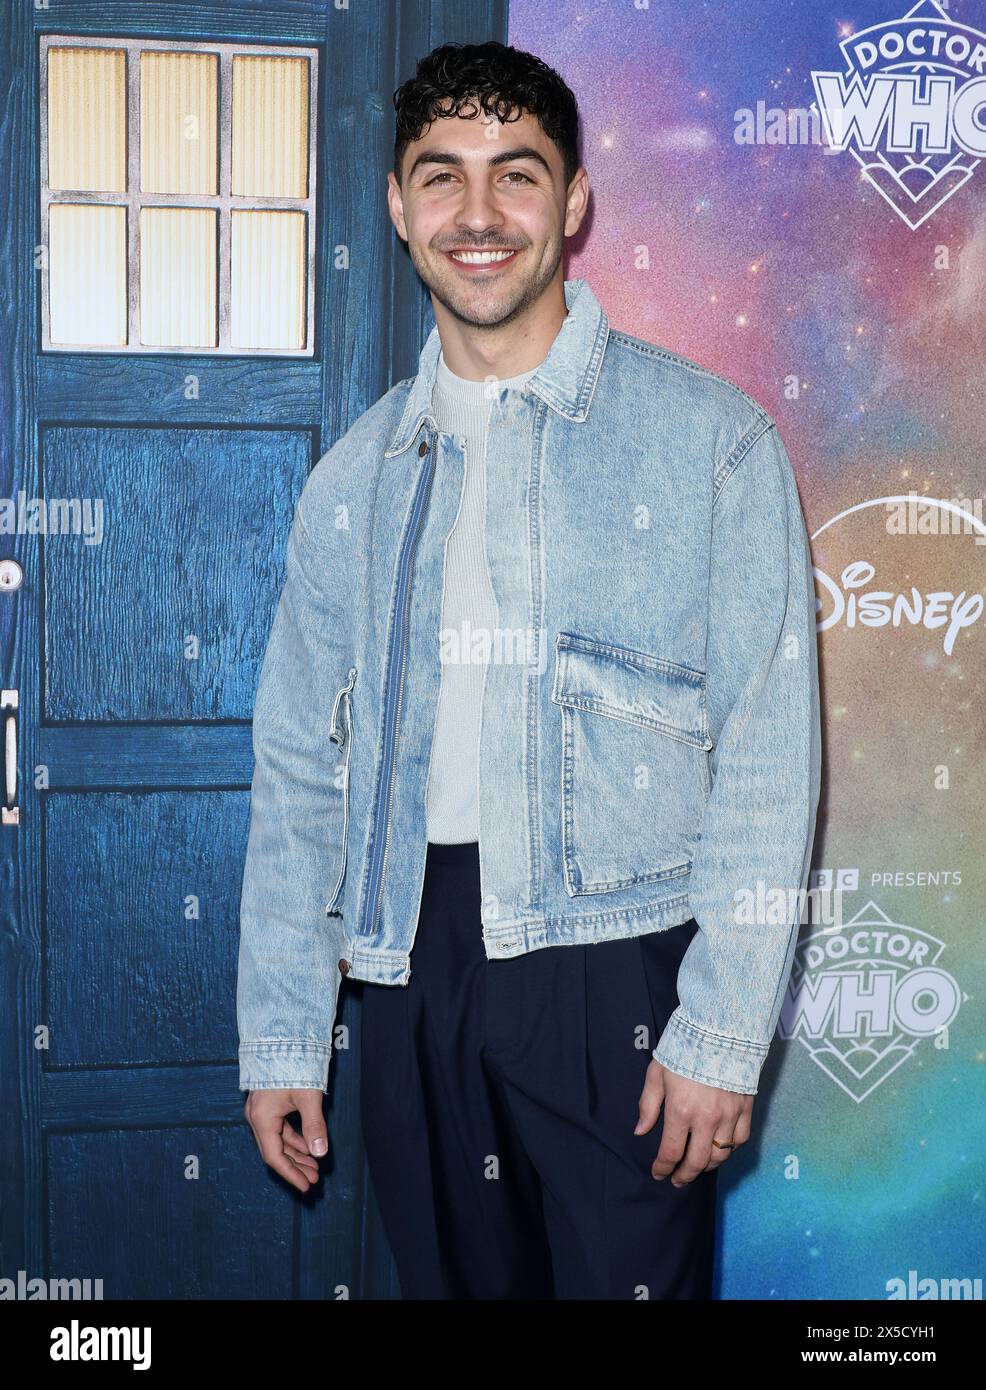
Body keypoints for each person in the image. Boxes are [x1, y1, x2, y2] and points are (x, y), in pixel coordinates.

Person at [237, 40, 821, 1300]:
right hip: (405, 961)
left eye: (517, 173)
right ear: (398, 208)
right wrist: (282, 1031)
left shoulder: (710, 445)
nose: (480, 213)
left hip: (618, 958)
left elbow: (769, 757)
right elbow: (297, 769)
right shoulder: (352, 482)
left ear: (573, 202)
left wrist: (718, 1034)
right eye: (440, 177)